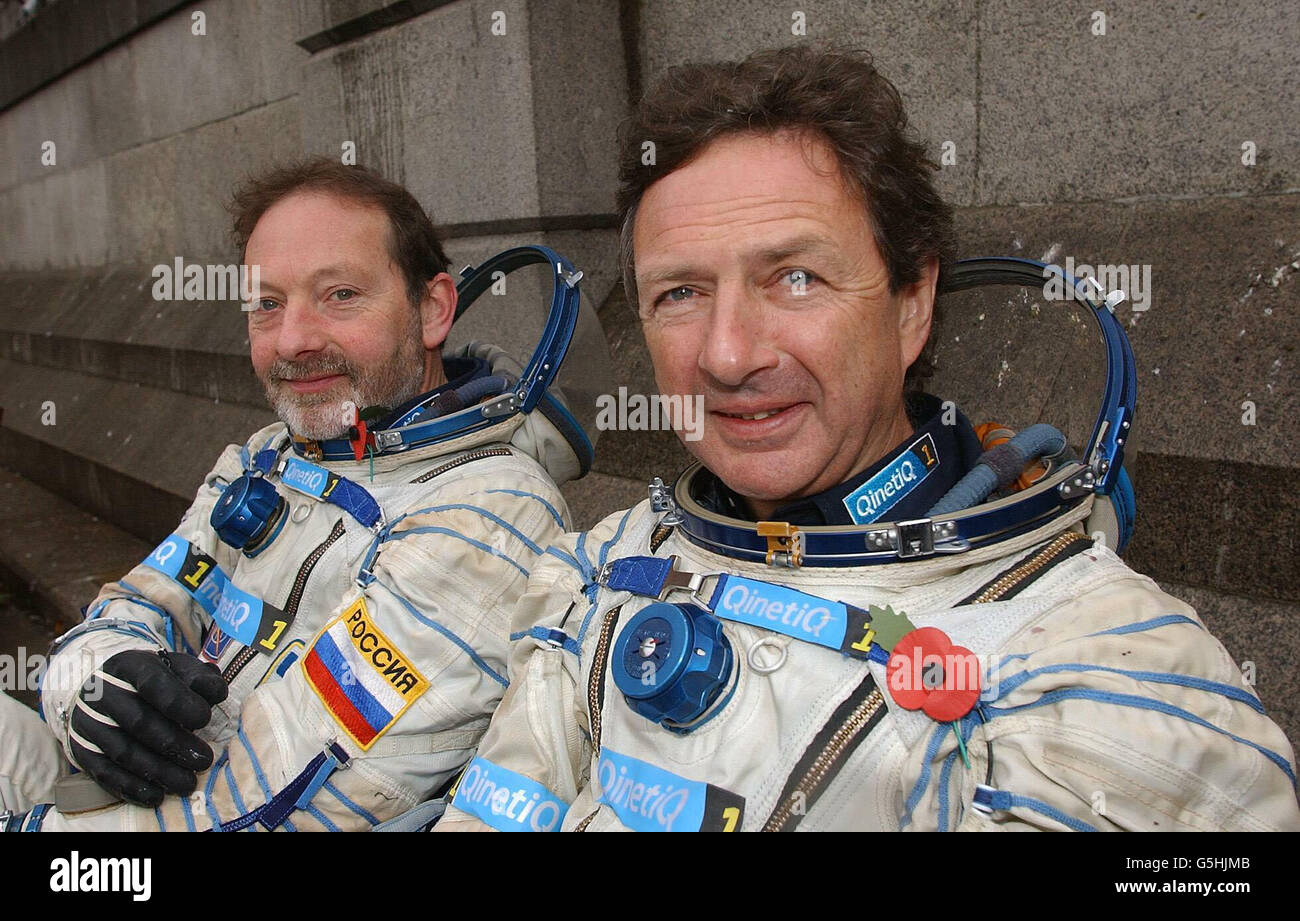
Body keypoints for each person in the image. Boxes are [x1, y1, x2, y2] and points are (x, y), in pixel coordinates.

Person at [436, 47, 1300, 832]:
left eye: (796, 277)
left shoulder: (1100, 670)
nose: (729, 354)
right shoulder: (603, 571)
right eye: (680, 293)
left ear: (912, 302)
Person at [0, 158, 592, 831]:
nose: (293, 341)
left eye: (339, 294)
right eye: (268, 303)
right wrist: (92, 688)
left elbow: (273, 804)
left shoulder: (488, 513)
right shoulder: (267, 456)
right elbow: (133, 603)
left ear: (432, 309)